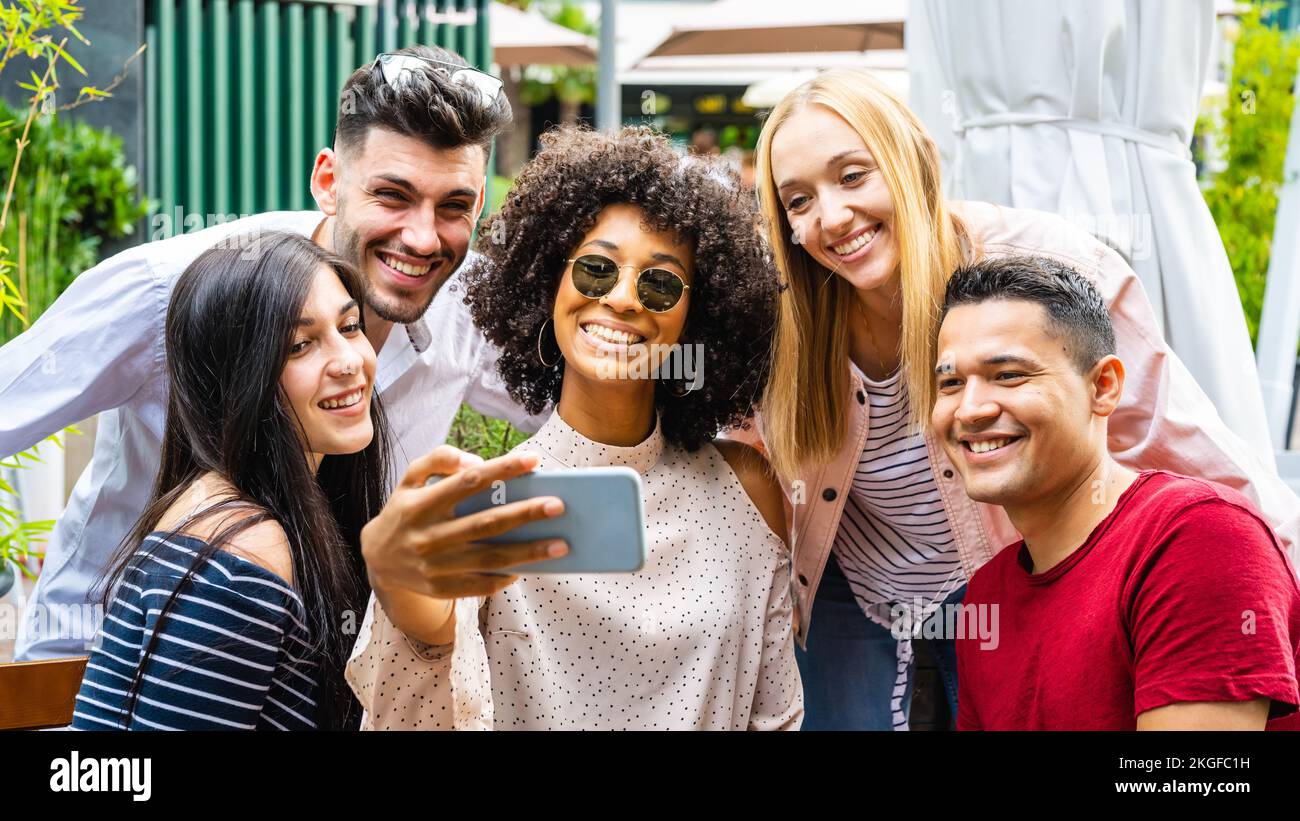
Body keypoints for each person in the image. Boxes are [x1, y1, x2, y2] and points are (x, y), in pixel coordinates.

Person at [751, 68, 1300, 730]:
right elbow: (724, 449)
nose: (830, 217)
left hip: (990, 569)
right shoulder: (783, 311)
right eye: (798, 199)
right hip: (854, 578)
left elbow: (1173, 431)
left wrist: (1271, 549)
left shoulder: (1035, 267)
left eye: (852, 176)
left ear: (912, 160)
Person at [1, 45, 544, 660]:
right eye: (393, 195)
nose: (422, 237)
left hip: (317, 685)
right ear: (329, 182)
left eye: (454, 206)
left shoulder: (469, 307)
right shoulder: (166, 287)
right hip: (103, 675)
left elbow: (593, 419)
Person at [345, 126, 802, 730]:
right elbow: (407, 714)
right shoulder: (481, 505)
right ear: (546, 284)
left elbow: (774, 715)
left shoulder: (747, 489)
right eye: (594, 270)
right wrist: (402, 597)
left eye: (660, 283)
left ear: (699, 318)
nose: (622, 298)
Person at [932, 255, 1300, 731]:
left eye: (1008, 375)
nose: (971, 409)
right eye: (951, 383)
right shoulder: (988, 595)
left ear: (1103, 387)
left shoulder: (1199, 538)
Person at [73, 234, 391, 730]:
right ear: (236, 377)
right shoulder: (241, 547)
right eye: (299, 345)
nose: (350, 361)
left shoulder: (231, 512)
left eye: (350, 327)